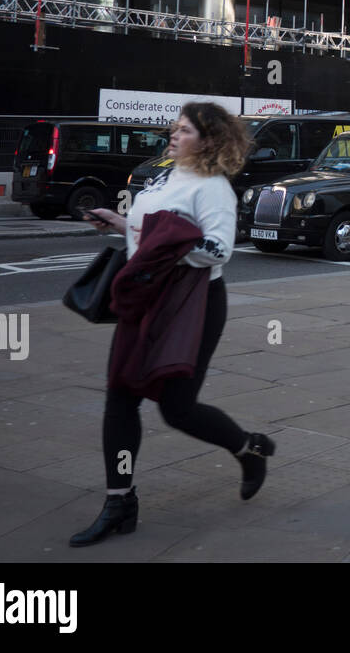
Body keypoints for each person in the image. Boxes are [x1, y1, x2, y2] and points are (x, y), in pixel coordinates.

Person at [70, 101, 277, 547]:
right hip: (147, 296)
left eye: (184, 130)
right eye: (175, 127)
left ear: (208, 140)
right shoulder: (167, 174)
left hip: (192, 302)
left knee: (177, 409)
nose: (173, 134)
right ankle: (119, 499)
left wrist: (163, 246)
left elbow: (218, 250)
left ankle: (250, 449)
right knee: (120, 398)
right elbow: (154, 233)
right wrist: (120, 224)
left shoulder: (214, 187)